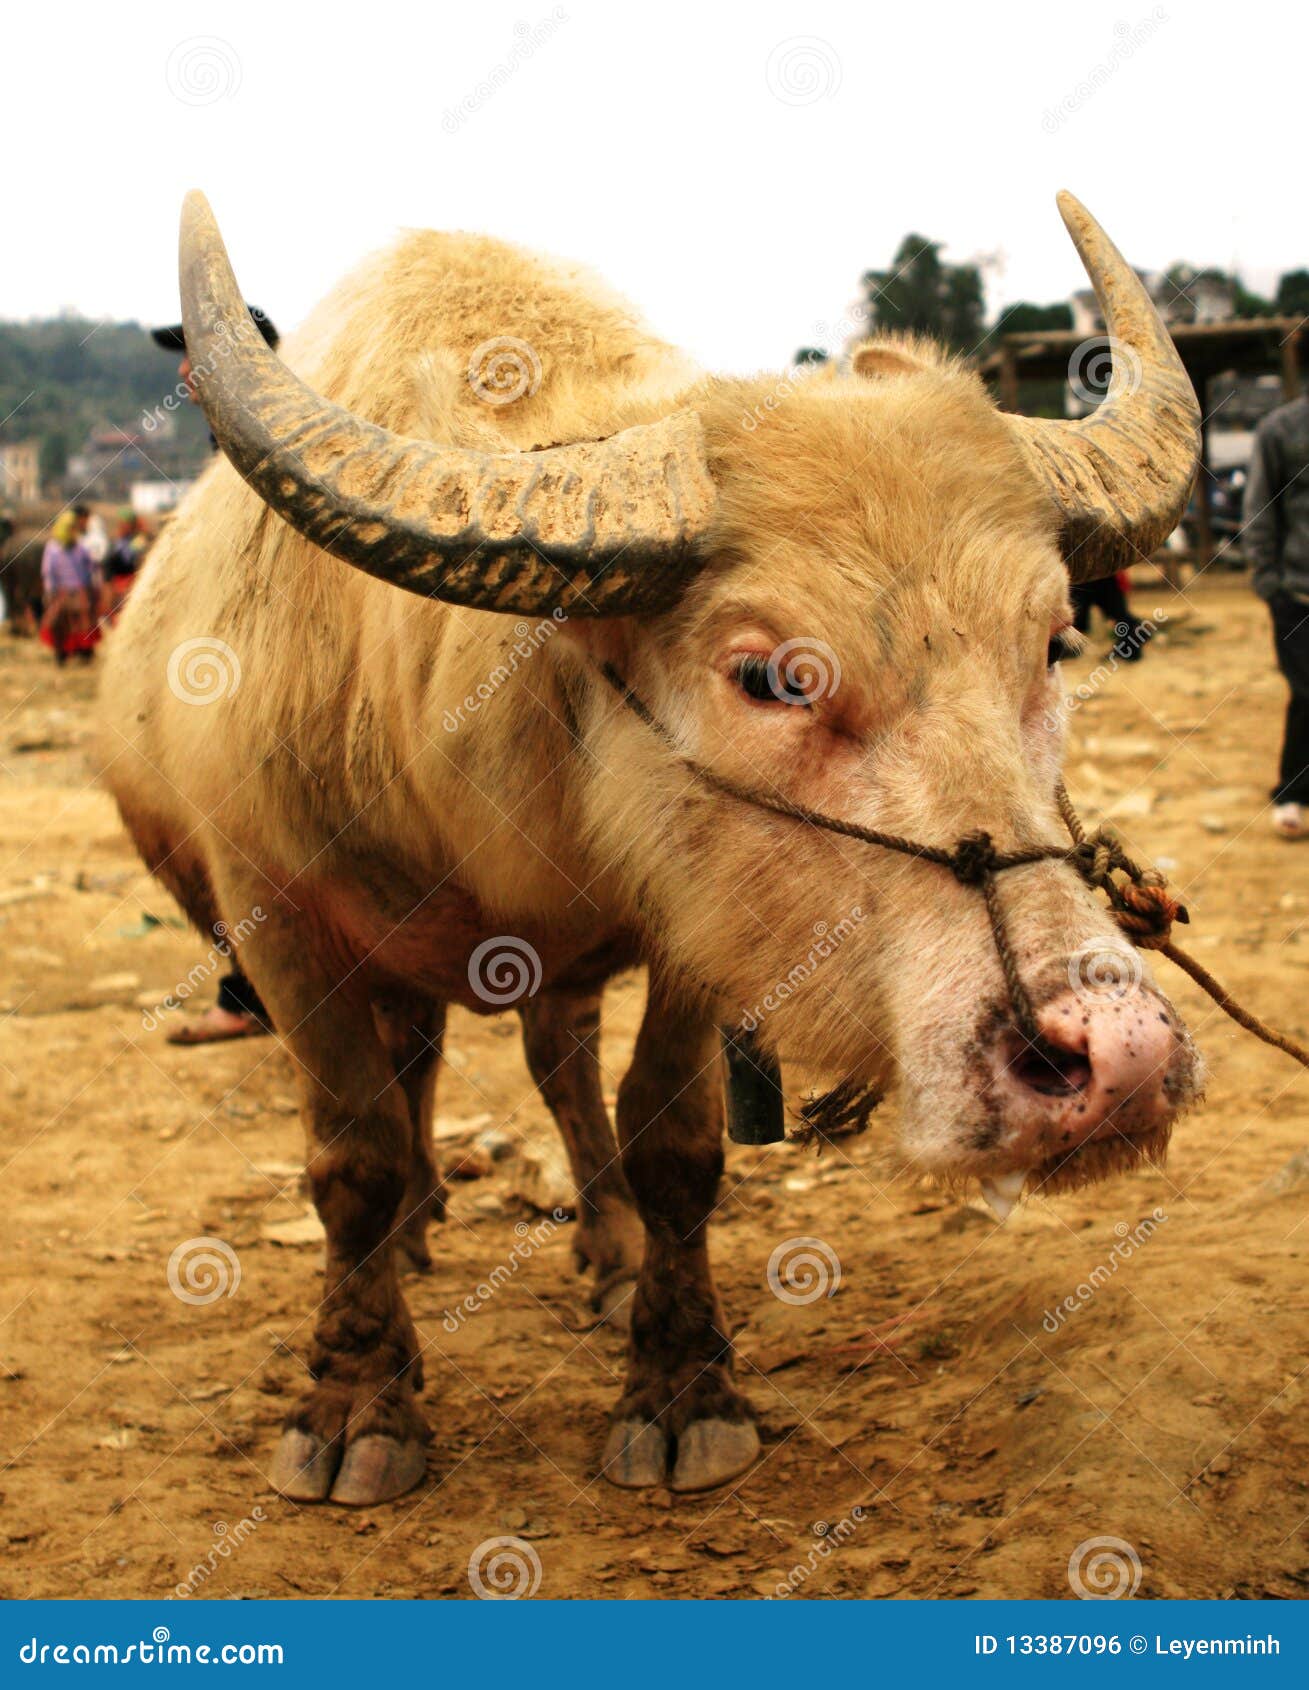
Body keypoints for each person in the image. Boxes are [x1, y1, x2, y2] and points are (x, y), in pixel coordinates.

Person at [149, 305, 280, 1043]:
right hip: (232, 668)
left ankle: (256, 997)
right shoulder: (233, 438)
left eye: (196, 351)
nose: (182, 371)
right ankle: (254, 992)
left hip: (268, 678)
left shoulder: (272, 436)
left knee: (249, 835)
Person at [1243, 343, 1309, 840]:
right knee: (1307, 692)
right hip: (1298, 592)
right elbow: (1260, 508)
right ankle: (1293, 791)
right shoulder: (1281, 430)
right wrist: (1269, 583)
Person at [40, 510, 103, 664]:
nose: (72, 531)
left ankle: (84, 653)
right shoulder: (52, 548)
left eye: (74, 528)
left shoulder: (81, 547)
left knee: (83, 624)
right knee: (60, 624)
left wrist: (94, 586)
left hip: (80, 593)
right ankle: (62, 654)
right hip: (61, 594)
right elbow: (48, 571)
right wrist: (50, 591)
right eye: (69, 528)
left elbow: (91, 567)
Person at [1069, 570, 1153, 663]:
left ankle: (1129, 645)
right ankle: (1132, 641)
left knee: (1077, 617)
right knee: (1077, 618)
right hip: (1099, 575)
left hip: (1101, 575)